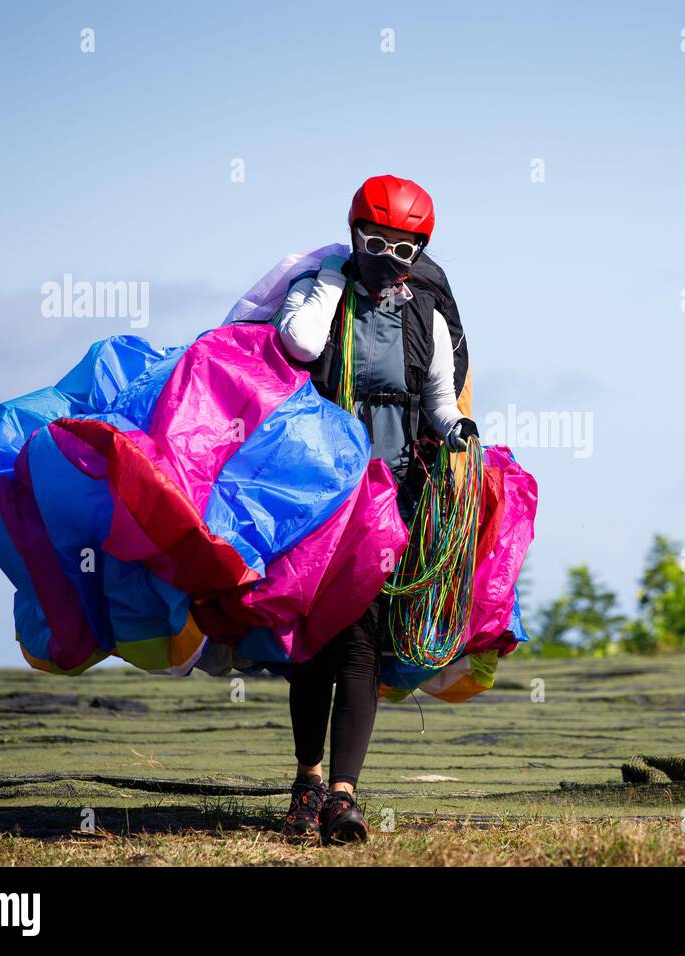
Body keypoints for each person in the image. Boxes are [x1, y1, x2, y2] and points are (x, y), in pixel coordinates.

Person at [273, 174, 478, 844]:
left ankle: (342, 796)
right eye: (374, 241)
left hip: (389, 501)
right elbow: (299, 346)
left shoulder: (428, 315)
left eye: (403, 247)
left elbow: (441, 403)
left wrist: (459, 435)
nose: (387, 256)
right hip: (314, 497)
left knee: (359, 640)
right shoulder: (321, 293)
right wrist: (333, 279)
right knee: (313, 645)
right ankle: (306, 780)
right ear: (354, 233)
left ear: (420, 251)